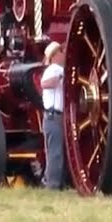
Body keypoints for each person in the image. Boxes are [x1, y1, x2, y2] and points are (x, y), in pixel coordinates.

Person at [40, 41, 68, 191]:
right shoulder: (54, 69)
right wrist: (58, 79)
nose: (64, 55)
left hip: (55, 117)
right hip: (53, 116)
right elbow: (44, 83)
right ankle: (52, 185)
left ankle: (52, 181)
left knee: (55, 151)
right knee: (55, 153)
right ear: (56, 55)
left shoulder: (58, 69)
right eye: (61, 52)